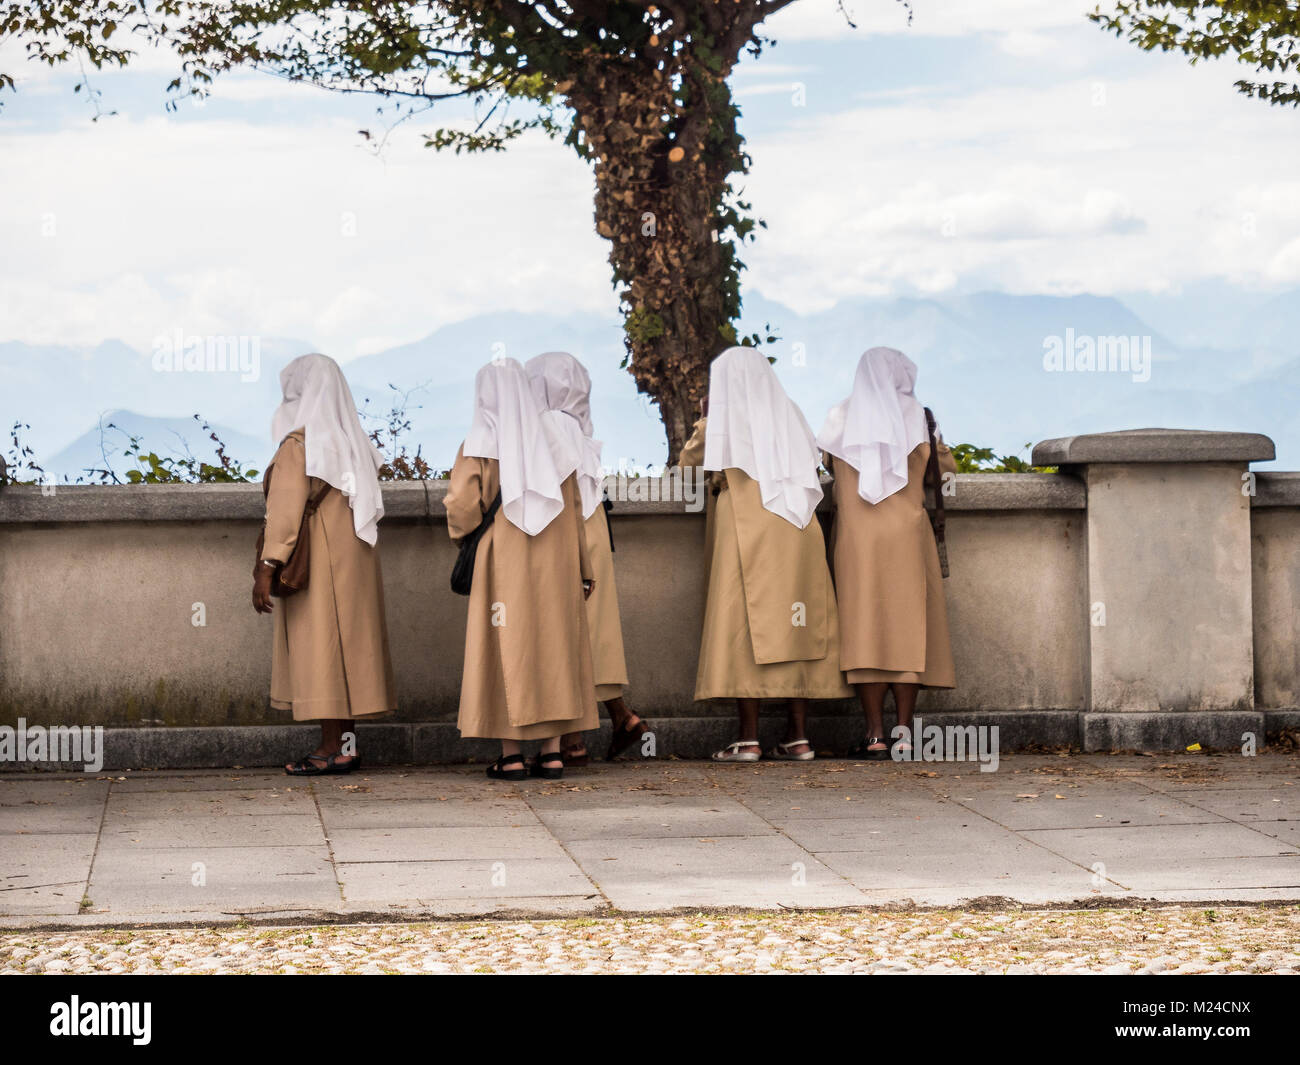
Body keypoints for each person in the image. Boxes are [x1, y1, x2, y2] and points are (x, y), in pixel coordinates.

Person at [678, 346, 850, 762]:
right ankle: (798, 737)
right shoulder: (788, 410)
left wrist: (704, 417)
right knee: (797, 627)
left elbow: (687, 466)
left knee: (744, 627)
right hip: (797, 527)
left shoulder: (722, 417)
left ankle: (749, 739)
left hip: (746, 526)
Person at [445, 357, 599, 781]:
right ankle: (551, 754)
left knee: (503, 648)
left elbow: (461, 506)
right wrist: (583, 567)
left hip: (502, 559)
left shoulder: (479, 441)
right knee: (552, 646)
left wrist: (466, 539)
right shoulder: (556, 441)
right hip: (556, 561)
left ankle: (511, 756)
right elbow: (574, 511)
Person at [253, 353, 396, 775]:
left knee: (323, 654)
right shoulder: (352, 442)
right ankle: (346, 747)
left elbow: (284, 512)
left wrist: (266, 567)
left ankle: (330, 748)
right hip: (354, 561)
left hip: (317, 561)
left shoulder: (299, 446)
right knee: (347, 653)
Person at [817, 346, 957, 761]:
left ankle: (874, 734)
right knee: (907, 629)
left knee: (865, 629)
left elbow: (825, 464)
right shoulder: (918, 417)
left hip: (858, 541)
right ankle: (905, 734)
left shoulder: (838, 417)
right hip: (907, 538)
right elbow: (946, 469)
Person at [524, 352, 650, 766]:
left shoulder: (546, 425)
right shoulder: (579, 429)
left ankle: (573, 741)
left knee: (565, 633)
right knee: (592, 632)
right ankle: (623, 719)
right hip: (592, 528)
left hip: (563, 533)